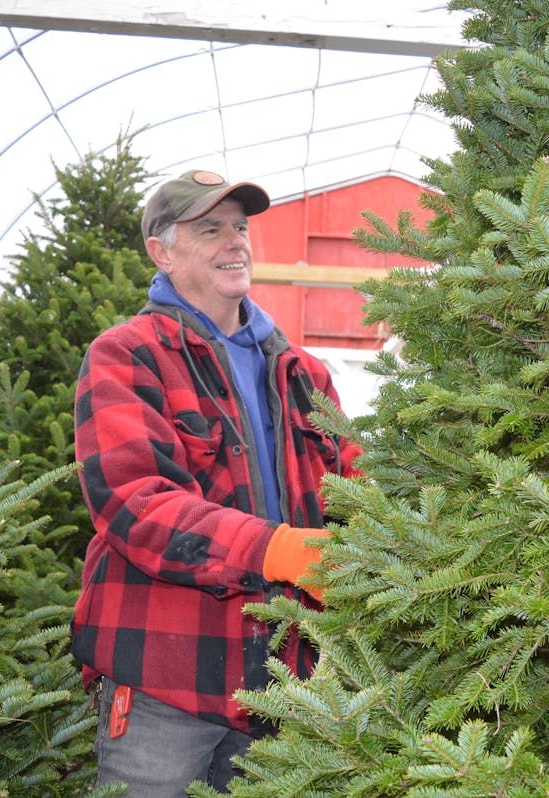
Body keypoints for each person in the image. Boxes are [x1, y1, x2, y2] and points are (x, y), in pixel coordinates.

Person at [70, 169, 361, 796]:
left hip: (288, 681)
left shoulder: (302, 372)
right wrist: (275, 550)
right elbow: (133, 502)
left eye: (240, 227)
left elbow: (354, 482)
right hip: (167, 676)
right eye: (210, 230)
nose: (235, 243)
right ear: (162, 252)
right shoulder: (127, 355)